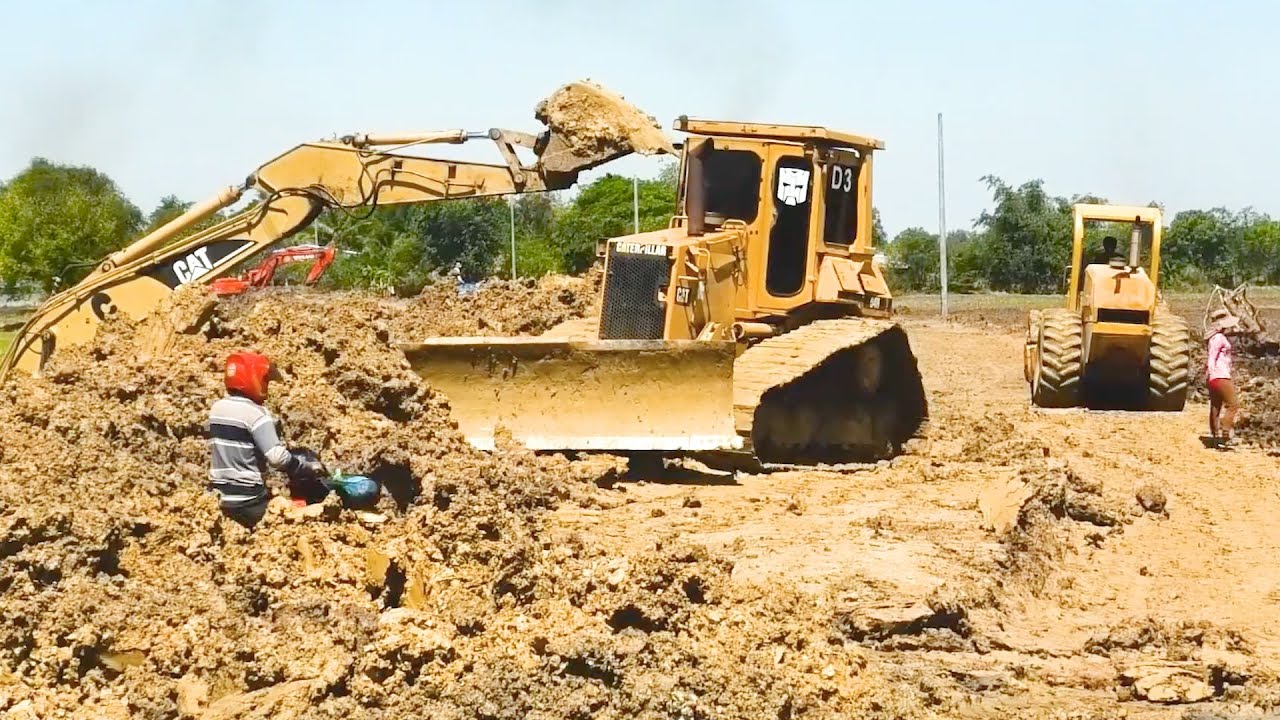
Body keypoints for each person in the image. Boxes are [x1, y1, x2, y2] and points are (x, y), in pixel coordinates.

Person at [208, 352, 326, 528]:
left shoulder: (216, 409)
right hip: (249, 500)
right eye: (265, 381)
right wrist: (302, 465)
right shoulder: (256, 414)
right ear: (253, 379)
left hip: (220, 497)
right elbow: (276, 457)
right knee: (300, 526)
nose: (266, 387)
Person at [1205, 309, 1242, 449]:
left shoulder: (1214, 337)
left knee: (1215, 406)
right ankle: (1225, 433)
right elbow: (1212, 357)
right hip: (1220, 375)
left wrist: (1209, 374)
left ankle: (1215, 437)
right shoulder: (1218, 338)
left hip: (1214, 376)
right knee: (1233, 404)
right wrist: (1213, 371)